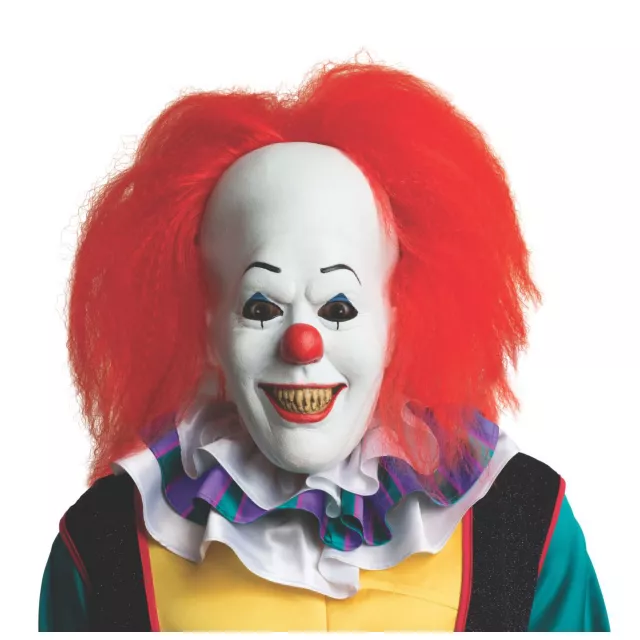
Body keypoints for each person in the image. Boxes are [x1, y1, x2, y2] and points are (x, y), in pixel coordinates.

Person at [39, 61, 609, 632]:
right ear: (209, 333)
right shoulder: (105, 543)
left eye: (338, 308)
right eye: (261, 307)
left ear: (396, 323)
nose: (302, 344)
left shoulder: (525, 523)